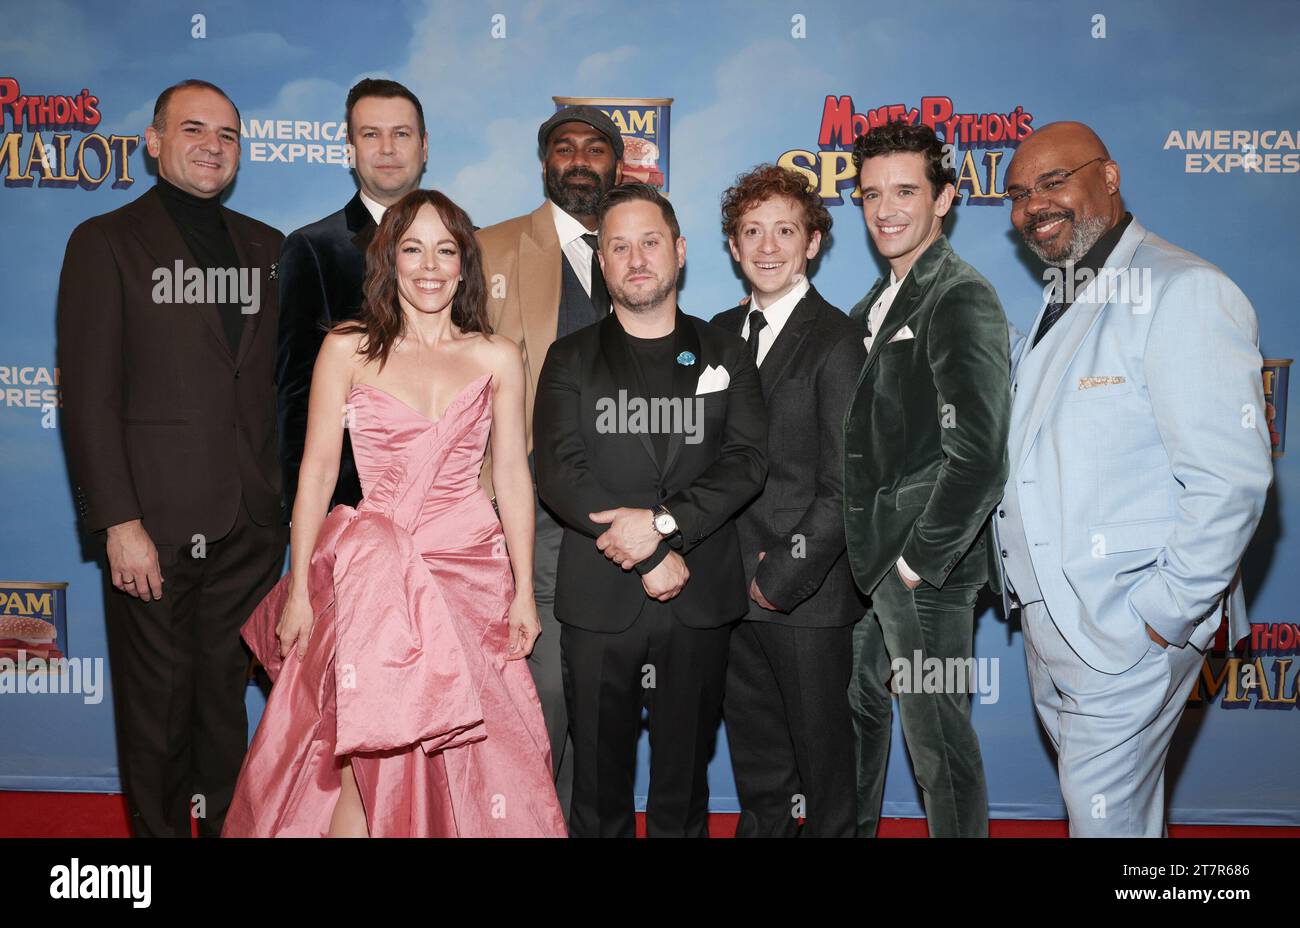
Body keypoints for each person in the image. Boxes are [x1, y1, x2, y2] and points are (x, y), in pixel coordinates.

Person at [221, 190, 565, 837]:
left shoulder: (495, 355)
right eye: (413, 249)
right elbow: (318, 472)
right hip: (373, 576)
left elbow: (514, 477)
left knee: (483, 760)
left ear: (465, 263)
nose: (429, 266)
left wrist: (523, 593)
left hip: (467, 572)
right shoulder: (348, 349)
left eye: (445, 250)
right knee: (366, 760)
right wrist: (298, 590)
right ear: (389, 260)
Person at [994, 121, 1272, 837]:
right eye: (1019, 194)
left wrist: (1160, 615)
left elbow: (1230, 482)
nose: (1034, 206)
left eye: (1054, 181)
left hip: (1126, 630)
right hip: (1058, 628)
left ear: (1109, 178)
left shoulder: (1185, 290)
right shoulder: (1064, 290)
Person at [57, 79, 288, 837]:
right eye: (193, 129)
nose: (212, 146)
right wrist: (117, 521)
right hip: (151, 524)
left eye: (226, 134)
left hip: (250, 525)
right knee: (157, 706)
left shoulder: (267, 247)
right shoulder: (106, 242)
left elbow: (277, 388)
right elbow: (88, 398)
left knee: (223, 700)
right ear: (153, 141)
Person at [533, 183, 767, 837]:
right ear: (601, 262)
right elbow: (559, 470)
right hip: (600, 602)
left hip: (699, 598)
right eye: (618, 246)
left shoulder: (726, 352)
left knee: (682, 786)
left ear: (680, 252)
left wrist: (665, 529)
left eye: (650, 242)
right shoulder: (568, 358)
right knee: (599, 791)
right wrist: (648, 554)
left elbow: (746, 461)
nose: (637, 259)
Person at [843, 121, 1010, 838]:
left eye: (906, 190)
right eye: (873, 193)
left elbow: (979, 452)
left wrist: (919, 562)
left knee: (937, 739)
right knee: (860, 709)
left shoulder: (960, 297)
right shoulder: (870, 307)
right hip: (874, 559)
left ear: (944, 198)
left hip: (926, 568)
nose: (886, 208)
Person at [475, 105, 626, 819]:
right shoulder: (491, 248)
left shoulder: (638, 249)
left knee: (603, 692)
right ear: (544, 164)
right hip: (530, 507)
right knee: (544, 688)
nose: (578, 160)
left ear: (616, 166)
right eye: (563, 148)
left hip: (626, 511)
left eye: (595, 149)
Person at [711, 164, 864, 837]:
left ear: (813, 243)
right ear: (734, 247)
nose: (768, 247)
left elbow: (844, 484)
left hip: (802, 597)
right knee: (759, 769)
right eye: (752, 232)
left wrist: (778, 577)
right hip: (724, 592)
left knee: (825, 774)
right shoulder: (714, 333)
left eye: (784, 231)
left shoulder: (836, 340)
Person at [277, 78, 429, 514]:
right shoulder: (312, 248)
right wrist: (304, 512)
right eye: (370, 134)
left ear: (424, 146)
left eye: (401, 134)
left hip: (450, 497)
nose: (387, 148)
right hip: (349, 500)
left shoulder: (469, 244)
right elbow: (295, 391)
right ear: (349, 148)